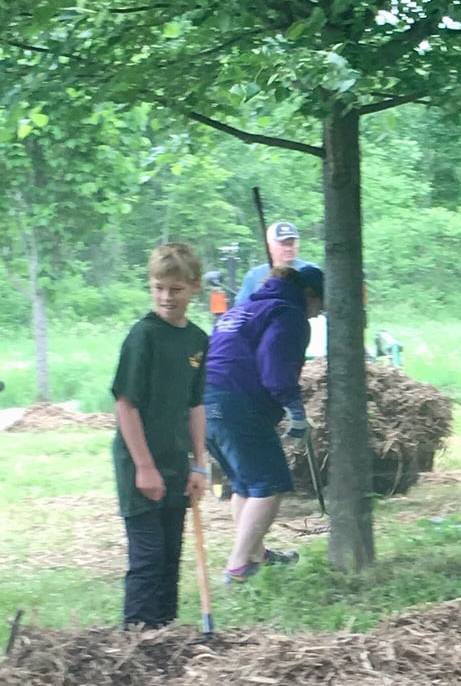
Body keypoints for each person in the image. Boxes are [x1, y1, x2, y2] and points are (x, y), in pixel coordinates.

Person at [111, 243, 210, 629]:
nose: (166, 297)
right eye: (158, 287)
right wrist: (145, 467)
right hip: (140, 464)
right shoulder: (143, 337)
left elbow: (195, 406)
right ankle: (134, 644)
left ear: (194, 287)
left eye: (176, 289)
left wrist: (200, 465)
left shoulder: (197, 340)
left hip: (176, 463)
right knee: (148, 560)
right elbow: (125, 405)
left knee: (171, 559)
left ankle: (165, 641)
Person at [204, 262, 323, 584]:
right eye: (318, 306)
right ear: (309, 295)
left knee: (245, 485)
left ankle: (257, 553)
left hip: (205, 403)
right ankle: (239, 566)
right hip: (238, 403)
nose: (315, 315)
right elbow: (275, 365)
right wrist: (295, 409)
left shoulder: (243, 310)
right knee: (270, 485)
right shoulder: (288, 314)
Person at [237, 220, 301, 305]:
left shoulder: (309, 271)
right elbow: (240, 308)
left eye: (291, 244)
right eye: (283, 244)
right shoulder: (254, 275)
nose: (288, 248)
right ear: (269, 246)